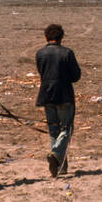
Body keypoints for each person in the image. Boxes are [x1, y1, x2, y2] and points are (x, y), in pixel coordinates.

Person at [35, 24, 81, 177]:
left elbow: (41, 72)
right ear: (61, 38)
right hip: (64, 95)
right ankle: (55, 155)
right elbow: (76, 76)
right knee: (66, 128)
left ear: (46, 37)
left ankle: (60, 167)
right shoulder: (67, 53)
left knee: (53, 130)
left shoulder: (40, 53)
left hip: (46, 95)